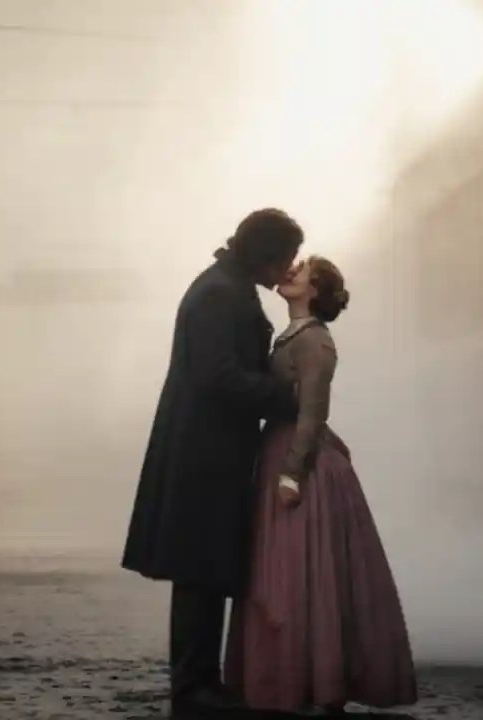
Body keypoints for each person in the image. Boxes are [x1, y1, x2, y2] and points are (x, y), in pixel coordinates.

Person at [121, 208, 304, 716]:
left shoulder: (224, 285)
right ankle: (194, 690)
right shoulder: (221, 294)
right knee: (200, 571)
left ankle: (202, 684)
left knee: (205, 568)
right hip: (204, 452)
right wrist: (287, 398)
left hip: (209, 448)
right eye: (286, 257)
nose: (289, 267)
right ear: (266, 253)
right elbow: (219, 376)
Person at [225, 256, 418, 714]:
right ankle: (281, 681)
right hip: (279, 451)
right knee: (281, 574)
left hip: (299, 464)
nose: (291, 271)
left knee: (295, 575)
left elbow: (313, 412)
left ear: (315, 289)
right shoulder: (291, 335)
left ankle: (305, 681)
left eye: (303, 269)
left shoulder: (316, 341)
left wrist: (293, 472)